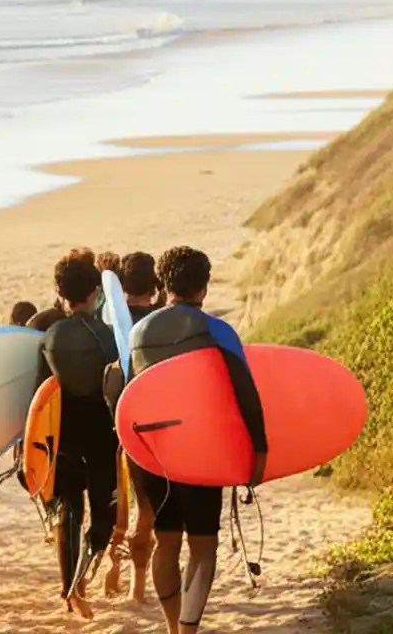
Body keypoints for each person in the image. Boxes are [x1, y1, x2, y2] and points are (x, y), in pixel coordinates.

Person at [124, 247, 268, 634]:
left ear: (164, 285)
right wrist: (258, 451)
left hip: (155, 456)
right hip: (203, 454)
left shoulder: (138, 333)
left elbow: (126, 397)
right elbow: (246, 394)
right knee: (203, 548)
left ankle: (173, 628)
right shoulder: (216, 331)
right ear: (203, 287)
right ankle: (189, 631)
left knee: (166, 541)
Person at [36, 249, 119, 620]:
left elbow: (40, 393)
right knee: (102, 517)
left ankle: (70, 588)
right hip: (101, 432)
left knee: (69, 511)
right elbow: (117, 386)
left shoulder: (50, 336)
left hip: (62, 432)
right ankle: (81, 579)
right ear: (94, 294)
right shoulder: (108, 335)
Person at [105, 251, 161, 602]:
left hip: (115, 427)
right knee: (147, 514)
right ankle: (139, 588)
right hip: (157, 428)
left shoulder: (111, 326)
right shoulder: (160, 323)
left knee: (115, 508)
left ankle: (112, 571)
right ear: (154, 286)